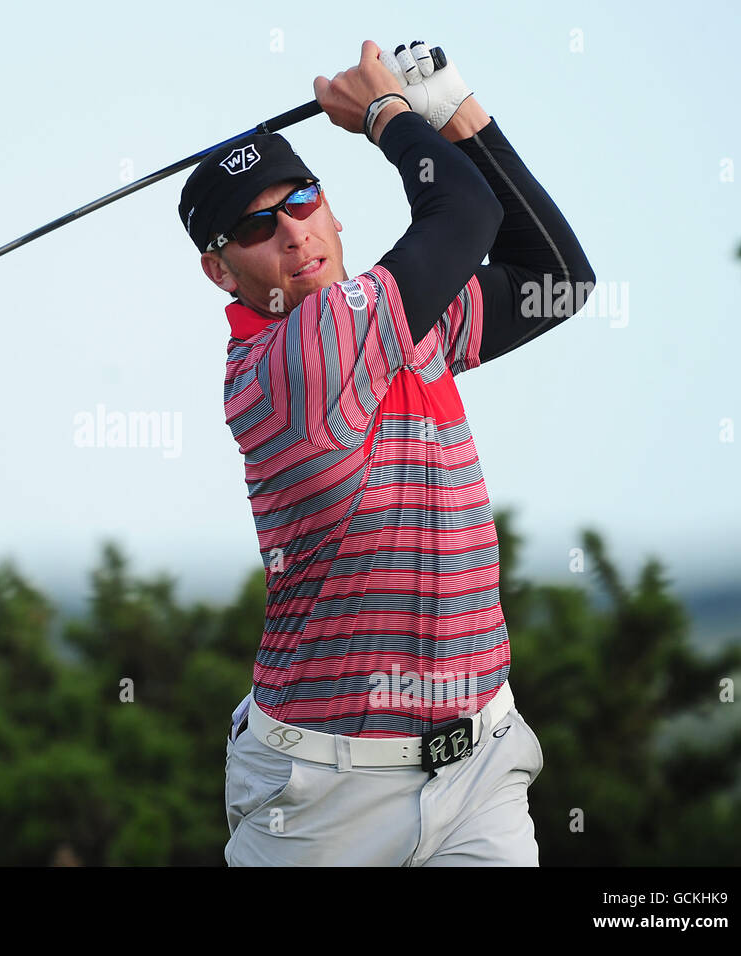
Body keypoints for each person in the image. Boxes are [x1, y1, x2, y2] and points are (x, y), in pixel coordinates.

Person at [177, 40, 595, 866]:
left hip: (480, 767)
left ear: (332, 210)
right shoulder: (299, 358)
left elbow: (557, 277)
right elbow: (464, 217)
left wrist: (455, 109)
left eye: (301, 198)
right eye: (257, 225)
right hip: (322, 798)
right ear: (220, 271)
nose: (294, 232)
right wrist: (387, 117)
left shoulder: (401, 320)